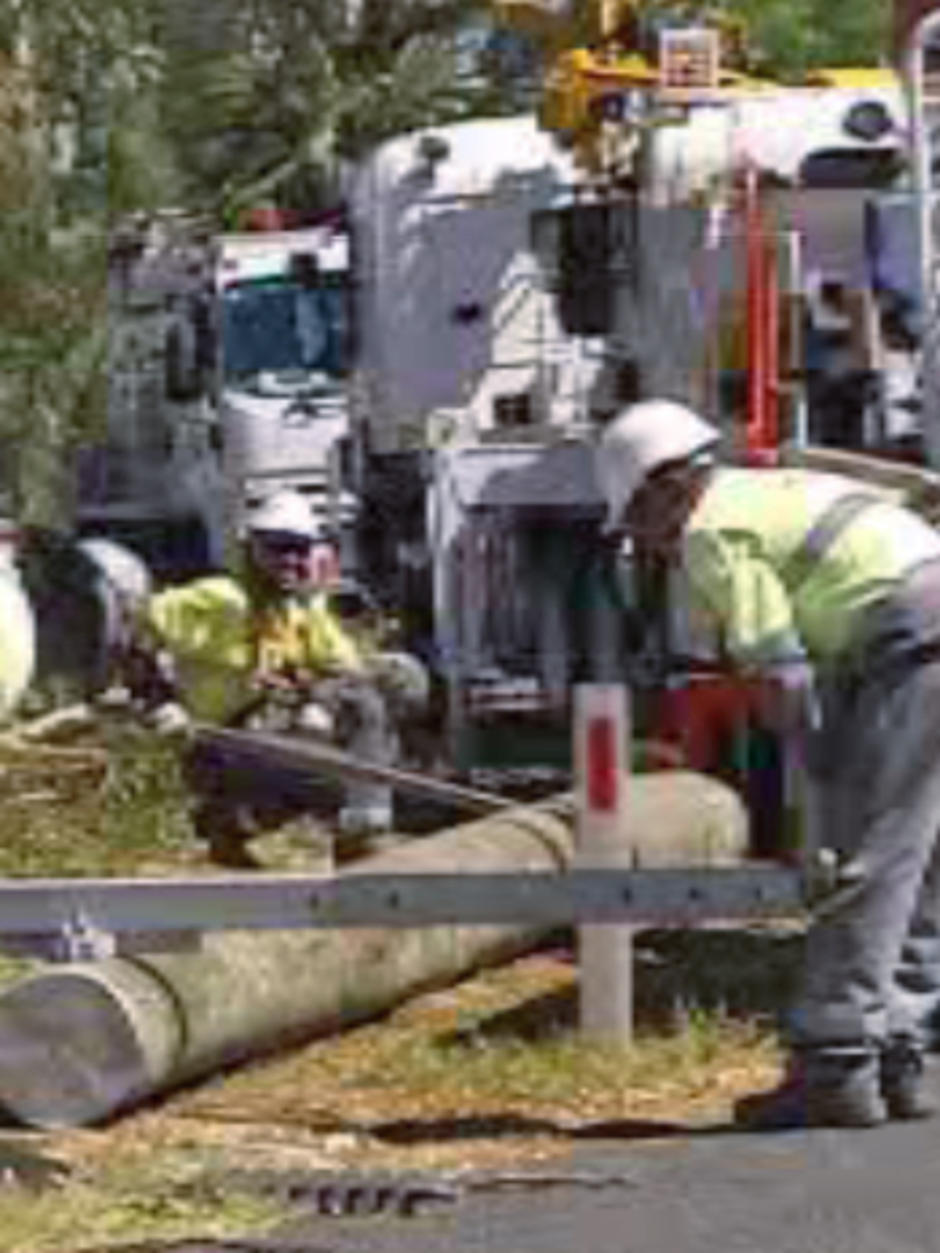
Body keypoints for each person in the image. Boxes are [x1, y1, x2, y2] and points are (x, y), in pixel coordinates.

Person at [596, 398, 940, 1130]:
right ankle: (900, 1052)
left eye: (639, 521)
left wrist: (815, 771)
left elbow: (782, 671)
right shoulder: (770, 486)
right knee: (921, 855)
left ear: (664, 487)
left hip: (911, 639)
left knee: (865, 854)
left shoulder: (710, 531)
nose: (649, 543)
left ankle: (836, 1059)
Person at [129, 489, 408, 868]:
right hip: (221, 744)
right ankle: (359, 843)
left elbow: (350, 673)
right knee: (338, 782)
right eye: (278, 548)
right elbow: (134, 627)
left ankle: (229, 826)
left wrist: (315, 697)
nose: (290, 560)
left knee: (377, 709)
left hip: (273, 737)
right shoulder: (223, 600)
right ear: (251, 549)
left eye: (300, 549)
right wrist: (159, 701)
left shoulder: (299, 609)